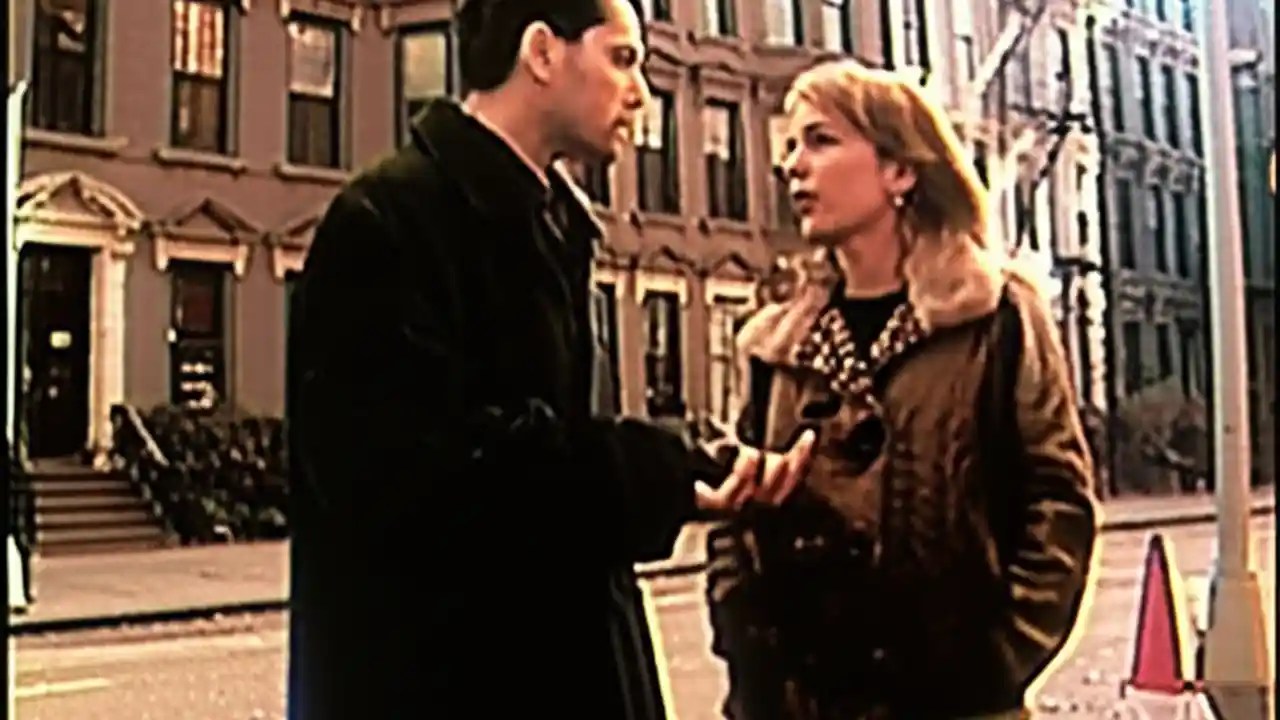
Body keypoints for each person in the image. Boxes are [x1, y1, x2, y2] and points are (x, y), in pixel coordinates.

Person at [283, 1, 815, 718]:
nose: (641, 93)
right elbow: (419, 480)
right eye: (623, 58)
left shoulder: (554, 224)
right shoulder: (385, 222)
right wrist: (655, 471)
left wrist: (684, 471)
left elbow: (555, 482)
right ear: (541, 52)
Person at [704, 59, 1100, 719]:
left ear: (900, 170)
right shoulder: (775, 343)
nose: (793, 166)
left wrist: (996, 663)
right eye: (790, 147)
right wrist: (750, 648)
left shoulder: (993, 318)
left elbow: (1058, 505)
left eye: (821, 140)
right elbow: (736, 518)